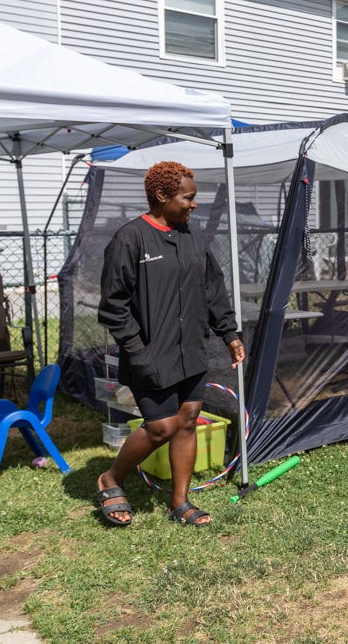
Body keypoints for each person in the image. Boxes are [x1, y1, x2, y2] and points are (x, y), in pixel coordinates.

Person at [95, 161, 245, 527]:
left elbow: (213, 289)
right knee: (161, 427)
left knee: (189, 420)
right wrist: (136, 348)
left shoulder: (193, 238)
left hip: (191, 349)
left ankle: (180, 501)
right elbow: (113, 306)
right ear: (162, 196)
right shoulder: (130, 239)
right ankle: (111, 478)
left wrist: (229, 332)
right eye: (188, 198)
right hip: (149, 353)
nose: (194, 205)